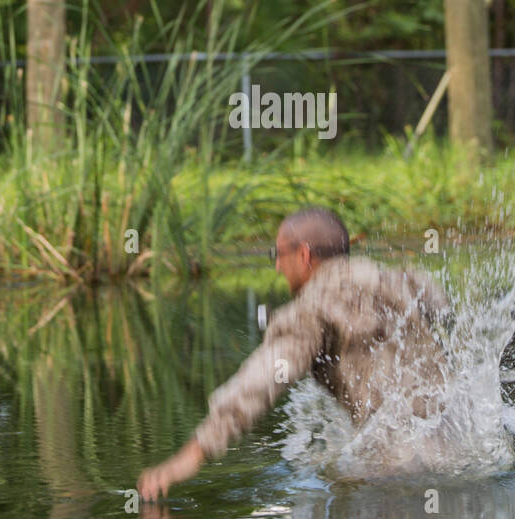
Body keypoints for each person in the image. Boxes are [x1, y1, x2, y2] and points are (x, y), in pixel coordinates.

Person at [137, 206, 451, 501]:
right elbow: (444, 309)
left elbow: (260, 382)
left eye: (278, 254)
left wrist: (191, 456)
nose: (276, 265)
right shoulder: (399, 280)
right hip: (455, 442)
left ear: (303, 255)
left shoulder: (310, 310)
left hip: (397, 472)